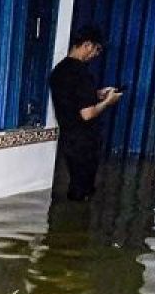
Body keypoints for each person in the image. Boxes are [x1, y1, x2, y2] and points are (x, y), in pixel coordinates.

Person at [49, 24, 123, 201]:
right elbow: (87, 114)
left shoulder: (58, 71)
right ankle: (75, 224)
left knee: (76, 184)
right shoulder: (81, 73)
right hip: (84, 142)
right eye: (97, 49)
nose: (96, 55)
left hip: (68, 139)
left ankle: (66, 223)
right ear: (87, 45)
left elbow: (71, 99)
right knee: (83, 190)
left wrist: (97, 94)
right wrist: (108, 101)